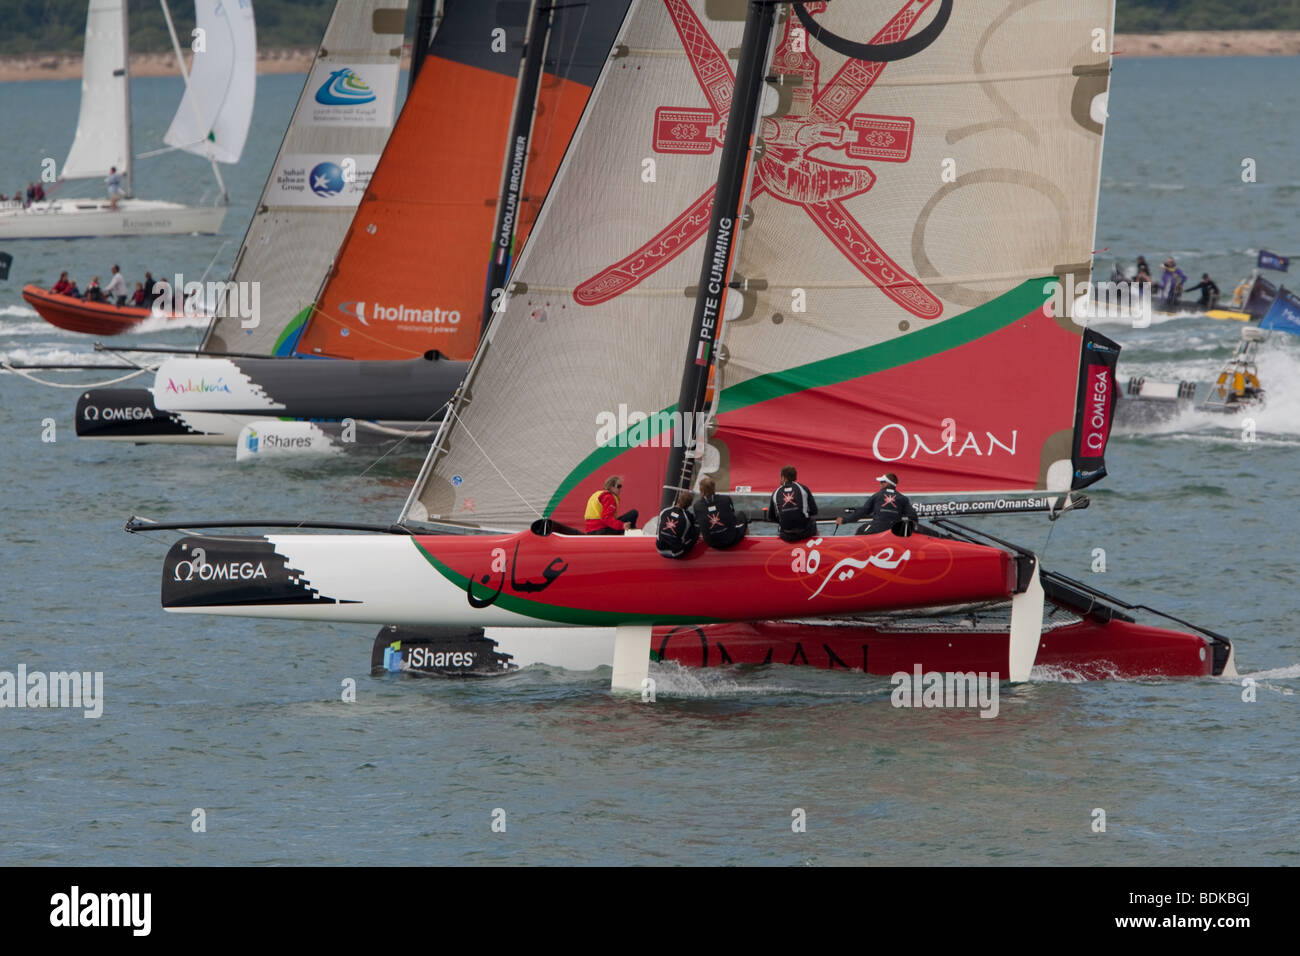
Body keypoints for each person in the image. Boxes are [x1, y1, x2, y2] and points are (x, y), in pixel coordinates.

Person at [836, 472, 919, 536]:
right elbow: (913, 517)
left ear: (886, 483)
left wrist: (844, 520)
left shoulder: (877, 496)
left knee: (860, 530)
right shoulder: (903, 498)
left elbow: (862, 512)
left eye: (881, 482)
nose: (880, 484)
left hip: (876, 529)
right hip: (894, 531)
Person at [693, 475, 748, 549]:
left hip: (711, 542)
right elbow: (732, 515)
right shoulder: (725, 499)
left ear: (701, 490)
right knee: (741, 515)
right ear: (714, 488)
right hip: (730, 540)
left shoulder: (697, 505)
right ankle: (746, 543)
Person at [769, 465, 818, 542]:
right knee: (813, 521)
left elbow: (771, 517)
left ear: (783, 478)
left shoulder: (776, 492)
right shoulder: (803, 488)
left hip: (786, 536)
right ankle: (817, 546)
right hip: (804, 533)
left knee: (781, 525)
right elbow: (814, 511)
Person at [656, 491, 699, 559]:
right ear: (689, 504)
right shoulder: (688, 516)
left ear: (678, 500)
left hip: (660, 549)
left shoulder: (664, 511)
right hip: (676, 553)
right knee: (696, 529)